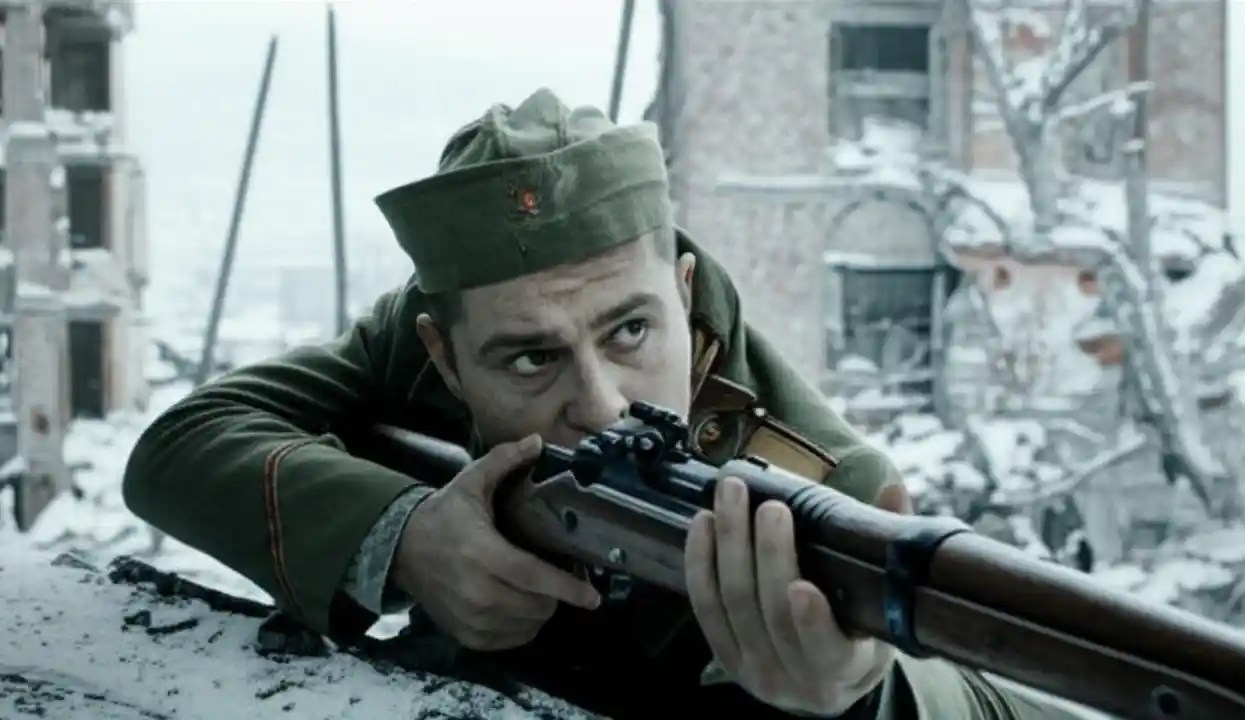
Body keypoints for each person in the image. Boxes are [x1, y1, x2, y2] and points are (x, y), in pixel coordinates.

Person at [123, 88, 1087, 719]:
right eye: (530, 359)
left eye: (630, 332)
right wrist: (407, 536)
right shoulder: (416, 345)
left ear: (684, 296)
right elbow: (185, 442)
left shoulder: (823, 490)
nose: (600, 402)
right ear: (443, 358)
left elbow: (986, 698)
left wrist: (857, 693)